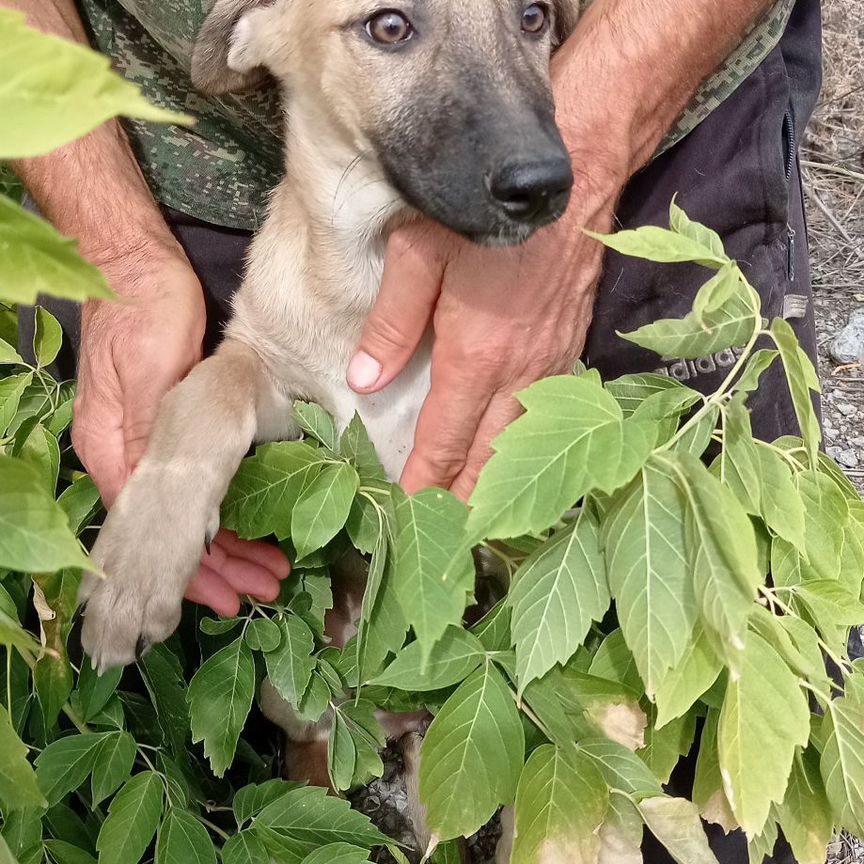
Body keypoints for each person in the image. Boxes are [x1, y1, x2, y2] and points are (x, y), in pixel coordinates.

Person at [9, 1, 821, 860]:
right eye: (393, 26)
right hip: (162, 172)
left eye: (531, 15)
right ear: (252, 35)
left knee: (698, 750)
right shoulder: (284, 280)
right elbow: (253, 369)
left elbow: (543, 140)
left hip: (654, 108)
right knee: (219, 765)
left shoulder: (550, 147)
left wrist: (590, 150)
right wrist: (122, 269)